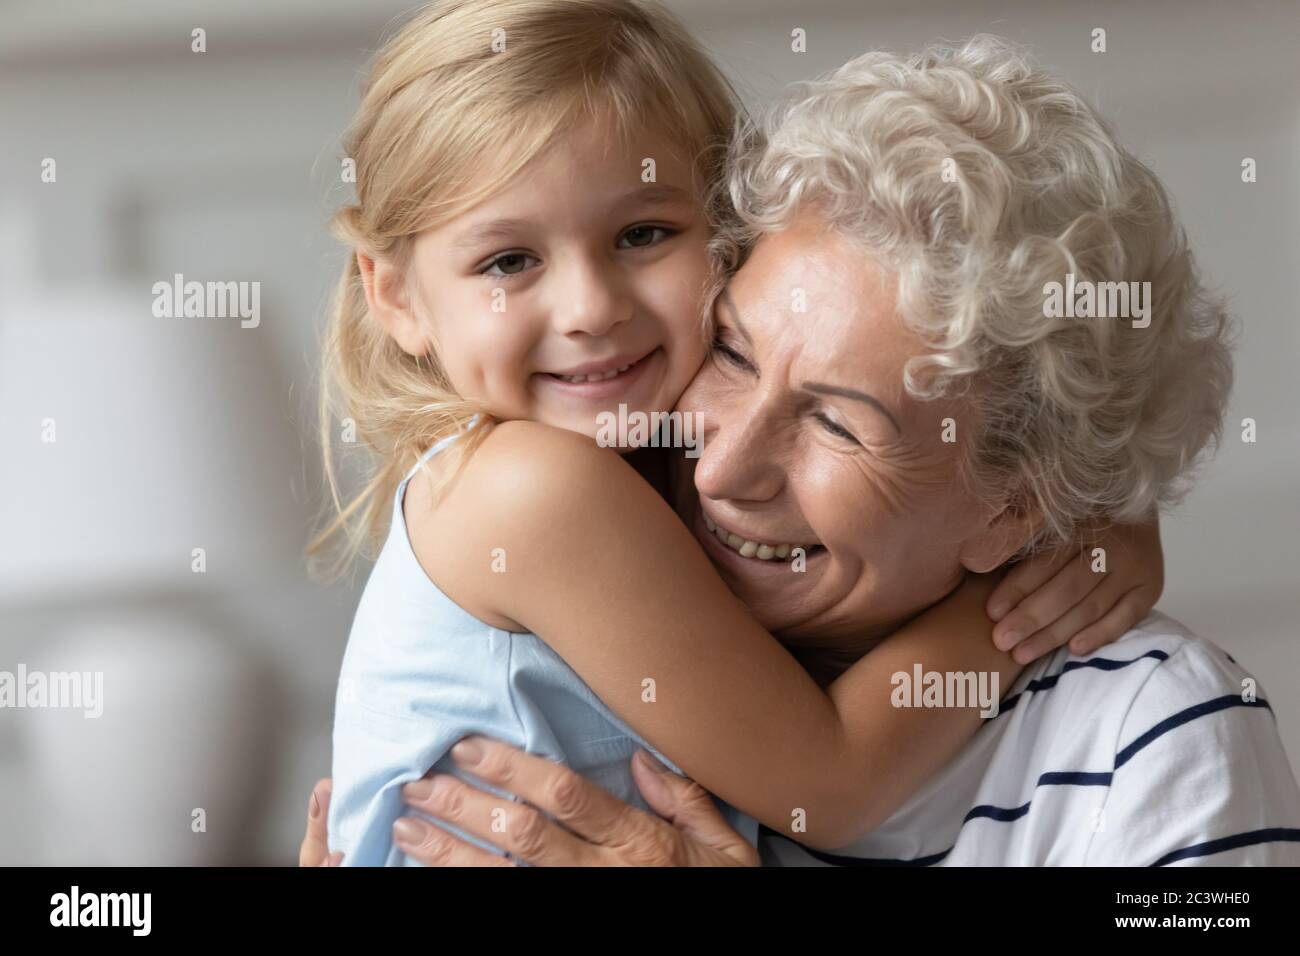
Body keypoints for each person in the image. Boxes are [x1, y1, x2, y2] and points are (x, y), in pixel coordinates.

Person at [303, 34, 1300, 867]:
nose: (721, 470)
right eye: (733, 352)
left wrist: (1091, 520)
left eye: (837, 422)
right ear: (393, 292)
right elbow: (834, 778)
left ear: (1012, 501)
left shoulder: (1151, 739)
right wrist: (1049, 567)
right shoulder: (565, 491)